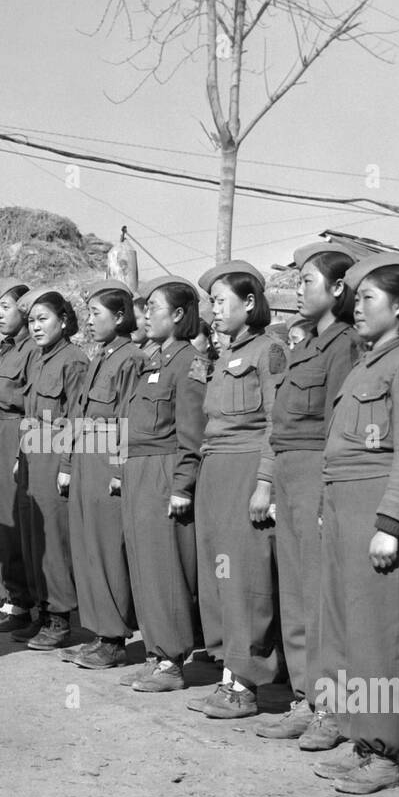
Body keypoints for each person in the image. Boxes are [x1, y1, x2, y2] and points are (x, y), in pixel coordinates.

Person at [309, 253, 399, 794]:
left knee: (380, 638)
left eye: (367, 298)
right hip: (345, 506)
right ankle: (361, 739)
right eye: (354, 297)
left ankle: (385, 754)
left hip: (377, 508)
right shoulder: (366, 363)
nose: (354, 306)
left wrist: (391, 522)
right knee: (346, 633)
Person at [255, 241, 362, 744]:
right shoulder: (304, 347)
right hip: (292, 475)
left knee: (322, 598)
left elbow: (340, 426)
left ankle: (334, 709)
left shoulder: (346, 346)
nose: (298, 289)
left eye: (307, 281)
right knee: (295, 593)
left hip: (320, 472)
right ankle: (304, 696)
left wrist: (328, 495)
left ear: (338, 289)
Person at [188, 261, 287, 719]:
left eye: (221, 301)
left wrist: (265, 481)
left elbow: (277, 423)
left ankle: (246, 683)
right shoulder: (224, 356)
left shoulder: (269, 352)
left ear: (250, 303)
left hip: (247, 470)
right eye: (211, 302)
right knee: (217, 576)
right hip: (216, 472)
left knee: (246, 578)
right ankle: (229, 670)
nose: (214, 310)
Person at [121, 276, 207, 693]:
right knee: (144, 566)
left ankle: (172, 661)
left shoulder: (189, 364)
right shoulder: (155, 360)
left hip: (164, 471)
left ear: (177, 315)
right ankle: (156, 652)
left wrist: (182, 485)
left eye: (154, 308)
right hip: (140, 469)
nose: (146, 315)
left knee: (165, 568)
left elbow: (191, 434)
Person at [61, 281, 144, 669]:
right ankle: (97, 633)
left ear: (121, 316)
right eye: (89, 313)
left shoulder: (131, 358)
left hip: (107, 459)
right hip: (85, 458)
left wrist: (118, 469)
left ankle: (113, 639)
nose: (90, 321)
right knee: (87, 546)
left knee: (109, 550)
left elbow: (130, 418)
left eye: (97, 314)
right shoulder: (101, 358)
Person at [15, 289, 88, 650]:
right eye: (31, 321)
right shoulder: (38, 359)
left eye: (43, 319)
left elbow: (77, 415)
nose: (36, 326)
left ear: (63, 319)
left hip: (56, 450)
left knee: (55, 540)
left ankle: (60, 618)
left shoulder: (73, 360)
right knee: (34, 537)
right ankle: (42, 613)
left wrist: (67, 464)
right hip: (33, 451)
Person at [0, 279, 40, 634]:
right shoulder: (4, 350)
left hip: (14, 433)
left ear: (24, 309)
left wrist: (21, 450)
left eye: (5, 306)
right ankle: (8, 596)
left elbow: (32, 406)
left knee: (15, 521)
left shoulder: (32, 350)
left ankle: (23, 602)